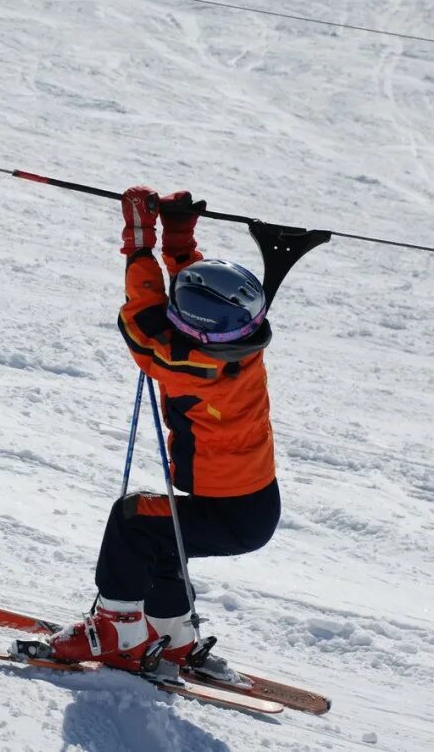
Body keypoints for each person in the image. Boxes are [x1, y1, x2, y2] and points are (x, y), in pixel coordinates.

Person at [46, 186, 281, 679]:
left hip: (232, 512)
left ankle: (116, 633)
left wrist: (139, 243)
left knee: (132, 519)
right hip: (250, 505)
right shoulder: (241, 344)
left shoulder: (188, 365)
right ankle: (172, 635)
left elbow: (143, 318)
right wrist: (178, 238)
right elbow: (194, 299)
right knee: (164, 532)